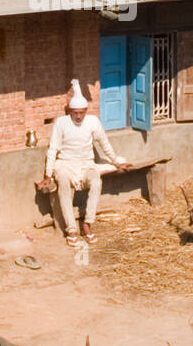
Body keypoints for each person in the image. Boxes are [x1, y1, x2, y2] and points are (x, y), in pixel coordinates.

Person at [44, 79, 130, 247]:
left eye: (81, 112)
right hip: (65, 164)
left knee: (96, 181)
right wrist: (48, 174)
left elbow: (104, 143)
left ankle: (88, 224)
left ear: (86, 110)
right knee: (62, 183)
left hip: (86, 164)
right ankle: (71, 229)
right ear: (70, 111)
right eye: (75, 112)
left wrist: (115, 161)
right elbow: (53, 149)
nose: (78, 116)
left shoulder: (93, 122)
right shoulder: (61, 123)